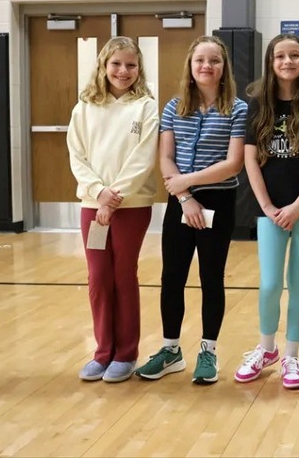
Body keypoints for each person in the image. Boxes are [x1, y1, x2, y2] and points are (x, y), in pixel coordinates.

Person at [134, 35, 247, 385]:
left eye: (214, 60)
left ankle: (208, 351)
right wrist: (184, 196)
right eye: (200, 60)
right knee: (173, 276)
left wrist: (188, 183)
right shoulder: (173, 107)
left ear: (224, 67)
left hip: (218, 202)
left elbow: (233, 164)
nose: (206, 66)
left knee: (211, 278)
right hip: (179, 201)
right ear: (190, 64)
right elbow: (165, 157)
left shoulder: (239, 109)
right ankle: (170, 351)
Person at [234, 34, 299, 390]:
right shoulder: (256, 105)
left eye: (295, 55)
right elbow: (249, 158)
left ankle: (292, 355)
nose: (288, 61)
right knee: (268, 284)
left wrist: (298, 206)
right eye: (280, 56)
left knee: (297, 282)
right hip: (270, 210)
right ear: (270, 62)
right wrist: (267, 206)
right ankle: (266, 349)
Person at [67, 36, 158, 383]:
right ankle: (103, 351)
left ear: (139, 69)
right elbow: (77, 156)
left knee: (123, 275)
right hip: (93, 207)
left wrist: (114, 196)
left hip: (131, 207)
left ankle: (126, 354)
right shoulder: (84, 108)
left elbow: (143, 158)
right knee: (98, 278)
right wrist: (97, 194)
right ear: (104, 66)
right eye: (116, 64)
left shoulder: (146, 107)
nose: (123, 71)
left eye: (131, 65)